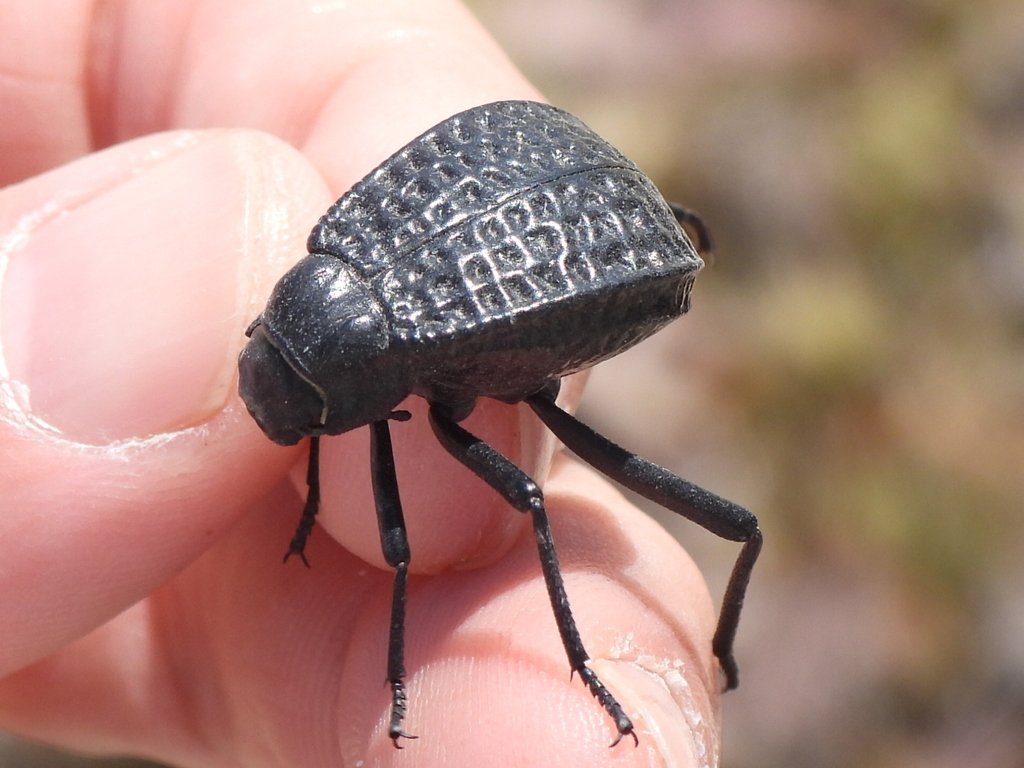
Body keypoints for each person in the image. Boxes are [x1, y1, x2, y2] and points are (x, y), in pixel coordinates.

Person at [0, 1, 723, 765]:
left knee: (526, 511)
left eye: (310, 418)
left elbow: (400, 524)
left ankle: (581, 668)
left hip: (617, 256)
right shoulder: (341, 241)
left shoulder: (385, 319)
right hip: (551, 165)